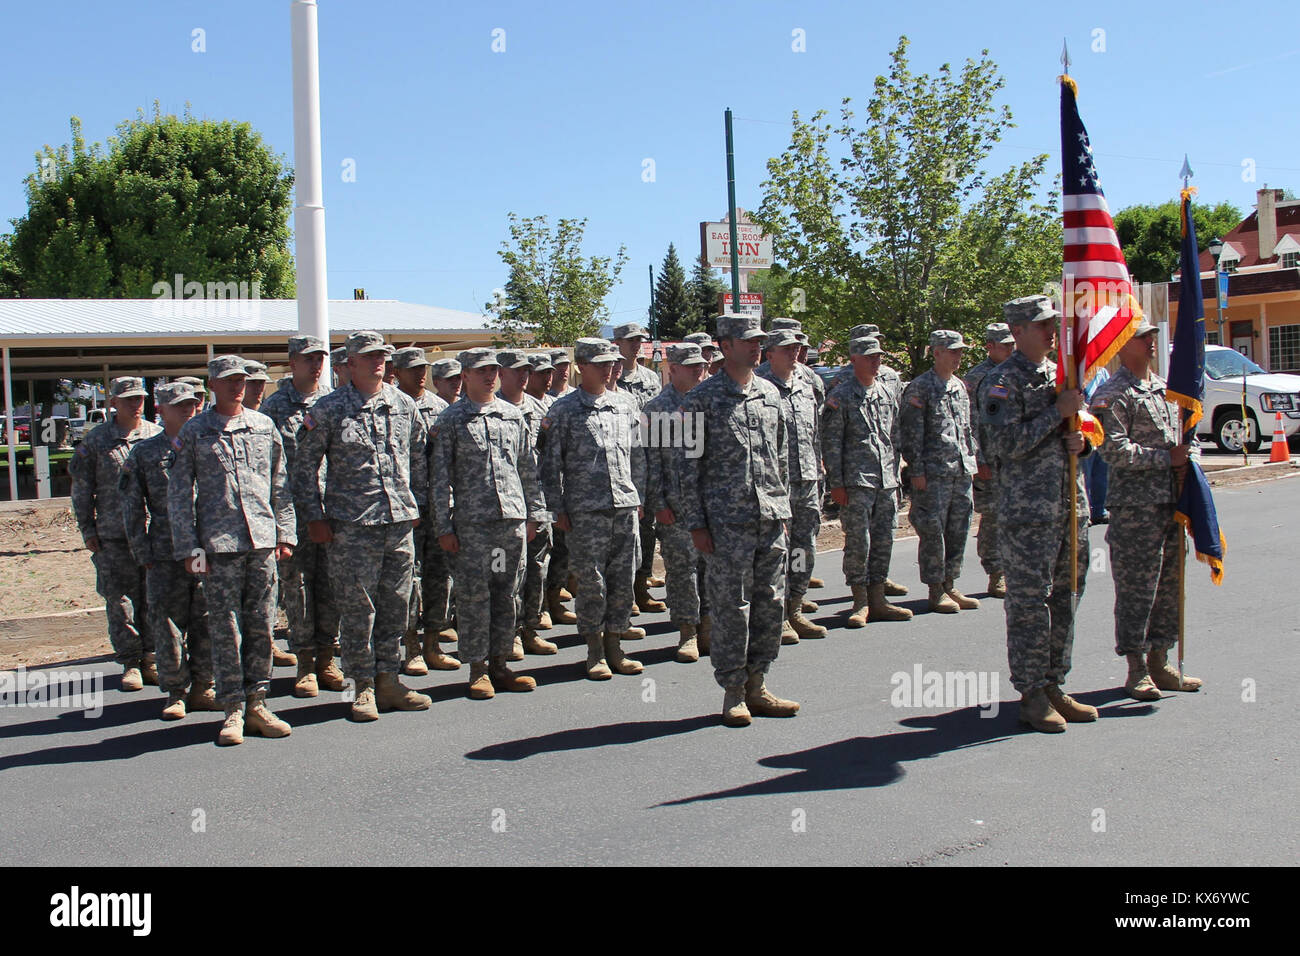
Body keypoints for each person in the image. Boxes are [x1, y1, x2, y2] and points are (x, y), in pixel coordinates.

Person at [292, 331, 432, 722]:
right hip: (352, 525)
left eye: (382, 357)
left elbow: (418, 456)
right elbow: (303, 468)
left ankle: (388, 679)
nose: (377, 363)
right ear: (350, 363)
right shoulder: (330, 408)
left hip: (398, 522)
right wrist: (315, 517)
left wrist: (416, 503)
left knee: (397, 605)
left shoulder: (403, 404)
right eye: (368, 357)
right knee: (357, 609)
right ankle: (361, 686)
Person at [980, 295, 1097, 733]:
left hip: (1070, 506)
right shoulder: (1001, 383)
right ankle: (1030, 694)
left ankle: (1054, 683)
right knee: (1030, 604)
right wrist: (1056, 415)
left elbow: (1075, 430)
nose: (1052, 330)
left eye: (1052, 322)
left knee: (1068, 596)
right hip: (1028, 515)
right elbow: (1003, 446)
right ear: (1018, 331)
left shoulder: (1059, 375)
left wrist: (1080, 440)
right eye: (1041, 324)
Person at [168, 355, 296, 746]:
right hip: (218, 545)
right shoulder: (195, 430)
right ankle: (233, 710)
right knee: (225, 628)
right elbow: (179, 493)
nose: (237, 386)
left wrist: (285, 533)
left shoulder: (263, 426)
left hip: (260, 541)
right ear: (212, 385)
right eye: (228, 380)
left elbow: (280, 484)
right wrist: (188, 545)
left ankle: (258, 702)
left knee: (261, 624)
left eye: (241, 380)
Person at [680, 314, 797, 727]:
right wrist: (696, 524)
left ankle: (758, 684)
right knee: (732, 607)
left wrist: (783, 510)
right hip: (725, 524)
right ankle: (732, 692)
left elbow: (780, 456)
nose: (755, 347)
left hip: (770, 517)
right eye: (747, 341)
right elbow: (686, 468)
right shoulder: (700, 400)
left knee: (770, 602)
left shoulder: (769, 394)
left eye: (759, 341)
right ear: (725, 346)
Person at [1090, 322, 1202, 699]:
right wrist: (1165, 459)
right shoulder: (1111, 395)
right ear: (1123, 344)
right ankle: (1136, 667)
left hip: (1172, 503)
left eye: (1152, 336)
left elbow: (1189, 438)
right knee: (1138, 589)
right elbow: (1112, 451)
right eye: (1142, 336)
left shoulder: (1166, 390)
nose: (1151, 342)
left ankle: (1161, 659)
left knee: (1170, 587)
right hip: (1135, 509)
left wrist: (1190, 462)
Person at [431, 348, 547, 699]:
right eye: (481, 370)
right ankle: (477, 668)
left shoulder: (513, 416)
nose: (489, 376)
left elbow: (528, 468)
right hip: (473, 526)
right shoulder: (451, 420)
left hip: (510, 523)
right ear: (464, 375)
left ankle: (500, 662)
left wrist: (535, 514)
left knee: (507, 593)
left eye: (494, 370)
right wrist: (444, 527)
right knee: (474, 596)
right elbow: (440, 478)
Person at [540, 338, 646, 680]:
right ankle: (595, 650)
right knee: (592, 582)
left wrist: (639, 496)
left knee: (623, 579)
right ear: (581, 366)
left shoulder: (626, 404)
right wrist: (557, 510)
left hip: (624, 506)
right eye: (600, 362)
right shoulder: (563, 410)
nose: (608, 367)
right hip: (585, 511)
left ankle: (616, 643)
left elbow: (639, 455)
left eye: (611, 362)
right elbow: (548, 467)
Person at [120, 382, 215, 718]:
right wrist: (141, 551)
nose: (189, 410)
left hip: (205, 547)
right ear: (161, 410)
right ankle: (176, 690)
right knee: (166, 621)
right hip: (164, 549)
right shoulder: (145, 453)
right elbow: (132, 507)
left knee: (205, 616)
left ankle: (205, 685)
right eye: (180, 405)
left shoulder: (209, 444)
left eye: (192, 404)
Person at [260, 335, 348, 696]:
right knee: (297, 591)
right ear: (292, 362)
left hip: (335, 509)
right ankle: (305, 664)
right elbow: (265, 467)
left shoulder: (334, 402)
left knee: (331, 586)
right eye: (308, 359)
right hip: (292, 513)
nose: (316, 365)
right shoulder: (274, 408)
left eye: (320, 359)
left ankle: (327, 657)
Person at [69, 376, 162, 691]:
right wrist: (88, 529)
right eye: (129, 400)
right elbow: (82, 489)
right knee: (120, 601)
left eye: (139, 399)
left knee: (154, 598)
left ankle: (152, 656)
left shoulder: (156, 435)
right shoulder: (96, 441)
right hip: (113, 534)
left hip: (152, 533)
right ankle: (130, 661)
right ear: (113, 403)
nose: (136, 404)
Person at [822, 336, 911, 627]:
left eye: (878, 356)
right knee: (860, 542)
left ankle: (878, 599)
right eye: (870, 356)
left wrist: (898, 472)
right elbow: (832, 442)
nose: (876, 361)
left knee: (884, 539)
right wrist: (836, 483)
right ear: (854, 359)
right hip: (855, 481)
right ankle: (859, 601)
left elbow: (895, 435)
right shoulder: (841, 396)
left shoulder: (886, 392)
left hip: (886, 479)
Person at [900, 330, 980, 613]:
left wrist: (972, 461)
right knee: (933, 531)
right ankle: (935, 589)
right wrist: (917, 469)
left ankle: (950, 583)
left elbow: (968, 429)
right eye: (953, 350)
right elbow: (910, 434)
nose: (959, 356)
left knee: (959, 529)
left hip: (960, 471)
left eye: (960, 351)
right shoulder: (920, 388)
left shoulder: (959, 386)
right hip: (933, 474)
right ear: (936, 353)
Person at [392, 346, 460, 674]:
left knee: (439, 575)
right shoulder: (391, 406)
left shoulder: (440, 407)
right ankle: (411, 646)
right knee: (409, 578)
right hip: (406, 507)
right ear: (397, 372)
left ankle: (433, 641)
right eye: (412, 369)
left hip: (439, 504)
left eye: (423, 368)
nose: (420, 374)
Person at [643, 342, 712, 662]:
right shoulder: (656, 409)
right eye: (691, 366)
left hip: (713, 502)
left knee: (713, 567)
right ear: (673, 370)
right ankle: (687, 630)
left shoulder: (714, 400)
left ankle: (710, 626)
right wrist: (658, 503)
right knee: (682, 569)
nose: (699, 370)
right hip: (676, 503)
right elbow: (651, 462)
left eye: (701, 365)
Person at [758, 328, 827, 642]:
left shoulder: (809, 382)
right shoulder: (759, 386)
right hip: (777, 484)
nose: (794, 353)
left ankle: (795, 607)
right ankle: (777, 615)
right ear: (769, 353)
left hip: (808, 479)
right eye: (786, 349)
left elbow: (816, 429)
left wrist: (821, 467)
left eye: (797, 348)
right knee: (776, 552)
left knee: (804, 546)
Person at [496, 349, 557, 656]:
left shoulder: (539, 409)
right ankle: (511, 633)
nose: (523, 375)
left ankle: (530, 627)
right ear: (500, 374)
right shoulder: (493, 409)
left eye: (526, 370)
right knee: (508, 574)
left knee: (536, 569)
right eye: (515, 370)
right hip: (504, 508)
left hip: (537, 501)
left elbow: (548, 458)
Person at [613, 322, 668, 615]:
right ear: (617, 342)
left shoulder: (650, 378)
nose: (636, 345)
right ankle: (622, 592)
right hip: (619, 459)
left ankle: (641, 585)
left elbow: (657, 420)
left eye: (639, 340)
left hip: (647, 457)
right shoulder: (610, 376)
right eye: (630, 340)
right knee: (624, 531)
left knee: (647, 527)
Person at [963, 322, 1016, 598]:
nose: (1010, 348)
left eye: (1011, 343)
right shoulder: (977, 378)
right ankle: (996, 573)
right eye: (1004, 344)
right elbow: (969, 421)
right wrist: (978, 458)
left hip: (1017, 458)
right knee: (993, 515)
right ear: (990, 347)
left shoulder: (1018, 372)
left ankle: (1018, 568)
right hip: (991, 460)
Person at [543, 348, 578, 626]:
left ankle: (555, 596)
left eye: (566, 365)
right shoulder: (554, 407)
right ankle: (540, 606)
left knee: (561, 549)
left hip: (568, 488)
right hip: (539, 490)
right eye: (557, 366)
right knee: (539, 555)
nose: (562, 371)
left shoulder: (570, 401)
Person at [1080, 367, 1112, 524]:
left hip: (1100, 426)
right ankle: (1086, 512)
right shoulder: (1075, 370)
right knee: (1085, 471)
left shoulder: (1102, 372)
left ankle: (1099, 510)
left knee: (1101, 470)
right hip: (1083, 426)